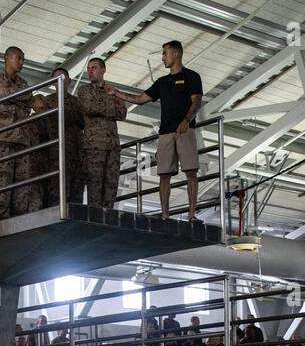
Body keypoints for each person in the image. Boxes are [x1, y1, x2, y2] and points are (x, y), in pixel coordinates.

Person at [113, 40, 203, 222]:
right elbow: (139, 99)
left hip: (185, 129)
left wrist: (187, 120)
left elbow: (196, 101)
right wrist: (116, 93)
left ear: (176, 54)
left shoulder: (192, 76)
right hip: (165, 132)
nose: (163, 58)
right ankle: (164, 215)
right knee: (164, 174)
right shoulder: (162, 82)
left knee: (191, 172)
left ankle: (192, 214)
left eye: (165, 53)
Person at [0, 45, 41, 219]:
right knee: (2, 181)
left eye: (23, 59)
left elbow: (29, 98)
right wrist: (23, 98)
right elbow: (5, 93)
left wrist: (21, 98)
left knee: (22, 182)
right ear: (7, 58)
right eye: (18, 58)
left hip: (21, 139)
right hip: (3, 138)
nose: (21, 62)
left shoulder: (23, 83)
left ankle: (19, 218)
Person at [78, 56, 127, 209]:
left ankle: (108, 218)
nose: (90, 71)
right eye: (88, 68)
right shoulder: (84, 90)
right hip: (94, 146)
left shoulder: (113, 90)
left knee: (111, 185)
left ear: (103, 70)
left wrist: (103, 106)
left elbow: (123, 113)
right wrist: (110, 106)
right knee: (94, 185)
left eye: (94, 68)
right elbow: (89, 108)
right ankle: (94, 219)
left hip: (112, 146)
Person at [42, 67, 85, 208]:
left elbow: (84, 121)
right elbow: (61, 118)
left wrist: (73, 116)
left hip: (77, 152)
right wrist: (75, 117)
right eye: (56, 79)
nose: (59, 82)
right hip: (58, 153)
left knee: (77, 192)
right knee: (58, 192)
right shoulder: (49, 101)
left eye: (62, 78)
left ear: (69, 81)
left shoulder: (77, 101)